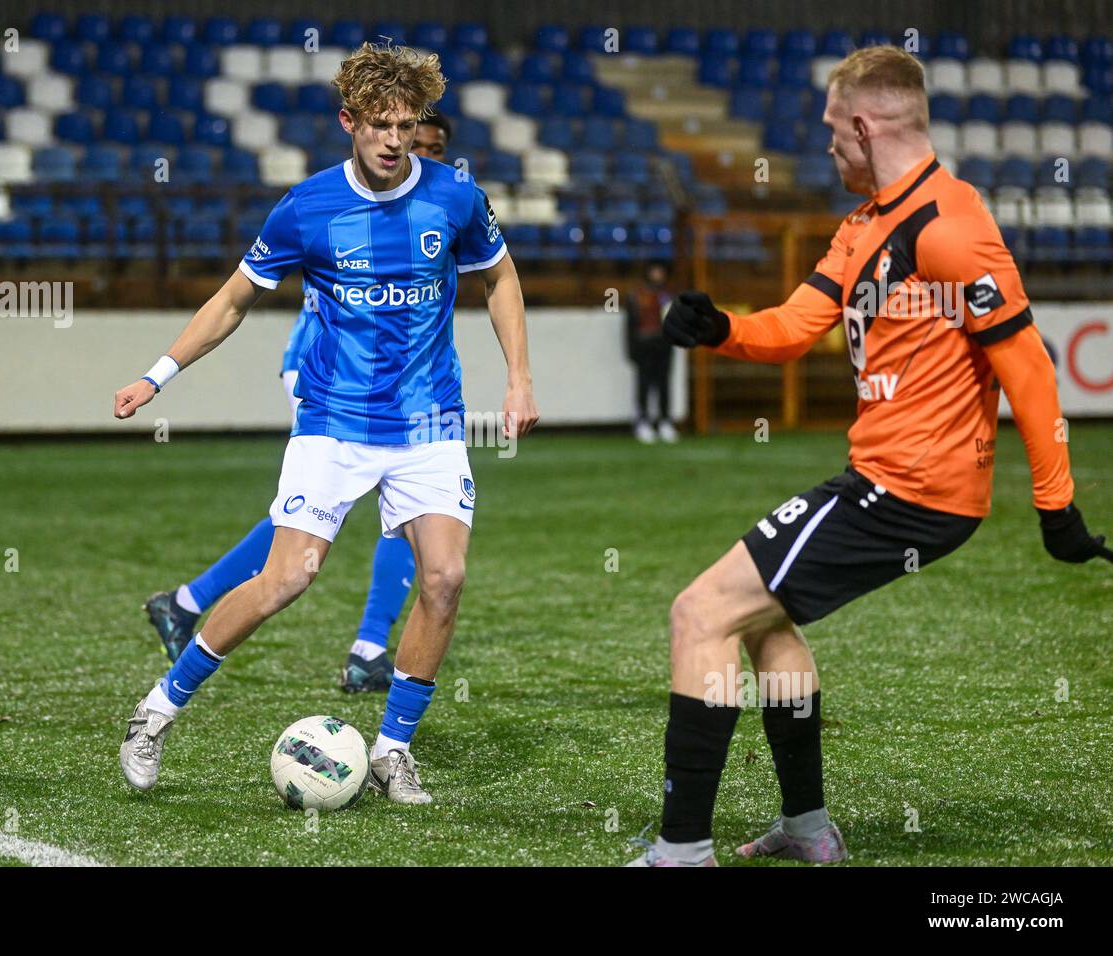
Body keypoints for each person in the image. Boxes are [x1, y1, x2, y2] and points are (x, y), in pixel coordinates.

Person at [629, 45, 1110, 866]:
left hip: (914, 492)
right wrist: (722, 329)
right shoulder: (865, 225)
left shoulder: (950, 225)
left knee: (699, 612)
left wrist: (1055, 504)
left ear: (862, 124)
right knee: (763, 621)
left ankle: (682, 850)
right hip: (882, 480)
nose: (826, 147)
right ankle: (809, 830)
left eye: (831, 131)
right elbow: (792, 327)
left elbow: (1027, 367)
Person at [114, 42, 538, 805]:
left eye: (406, 125)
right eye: (378, 124)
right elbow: (233, 300)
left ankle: (392, 752)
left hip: (429, 423)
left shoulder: (454, 196)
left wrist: (518, 378)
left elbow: (499, 275)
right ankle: (154, 714)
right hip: (334, 423)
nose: (393, 140)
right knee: (287, 579)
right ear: (348, 121)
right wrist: (159, 372)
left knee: (444, 579)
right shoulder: (307, 207)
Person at [142, 114, 455, 696]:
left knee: (373, 512)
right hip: (331, 375)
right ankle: (362, 647)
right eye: (416, 140)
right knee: (321, 518)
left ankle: (190, 604)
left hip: (392, 388)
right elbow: (242, 295)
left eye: (430, 144)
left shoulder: (435, 200)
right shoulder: (334, 202)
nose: (416, 151)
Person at [625, 261, 678, 443]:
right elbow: (630, 325)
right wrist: (631, 349)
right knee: (644, 386)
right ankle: (642, 422)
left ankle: (665, 421)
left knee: (664, 385)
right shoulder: (637, 296)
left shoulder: (669, 295)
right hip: (644, 347)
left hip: (663, 346)